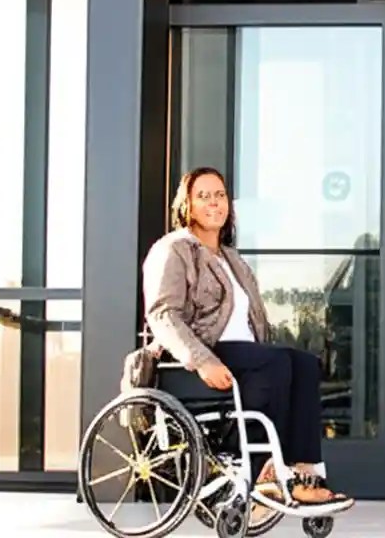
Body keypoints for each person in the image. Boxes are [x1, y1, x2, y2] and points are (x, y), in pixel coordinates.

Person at [142, 166, 354, 512]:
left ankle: (305, 473)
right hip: (205, 355)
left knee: (304, 364)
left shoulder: (232, 260)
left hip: (244, 357)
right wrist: (202, 360)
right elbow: (163, 314)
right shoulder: (174, 249)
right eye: (204, 196)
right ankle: (271, 472)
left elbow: (254, 322)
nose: (214, 202)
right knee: (278, 362)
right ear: (188, 206)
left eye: (221, 195)